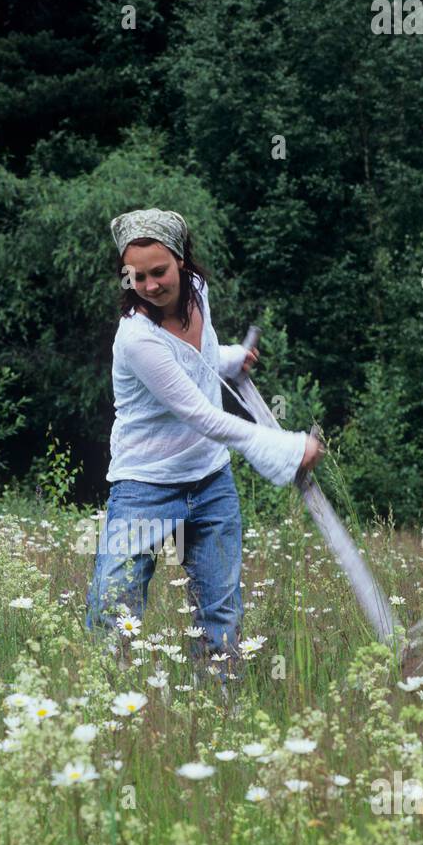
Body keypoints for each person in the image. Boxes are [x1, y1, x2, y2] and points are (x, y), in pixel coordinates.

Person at [84, 206, 323, 690]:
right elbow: (200, 413)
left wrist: (231, 359)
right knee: (114, 608)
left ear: (181, 260)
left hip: (211, 482)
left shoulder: (198, 292)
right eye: (137, 277)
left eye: (159, 272)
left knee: (221, 615)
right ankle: (105, 708)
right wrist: (284, 448)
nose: (150, 285)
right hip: (146, 487)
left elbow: (200, 357)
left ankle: (221, 711)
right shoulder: (137, 338)